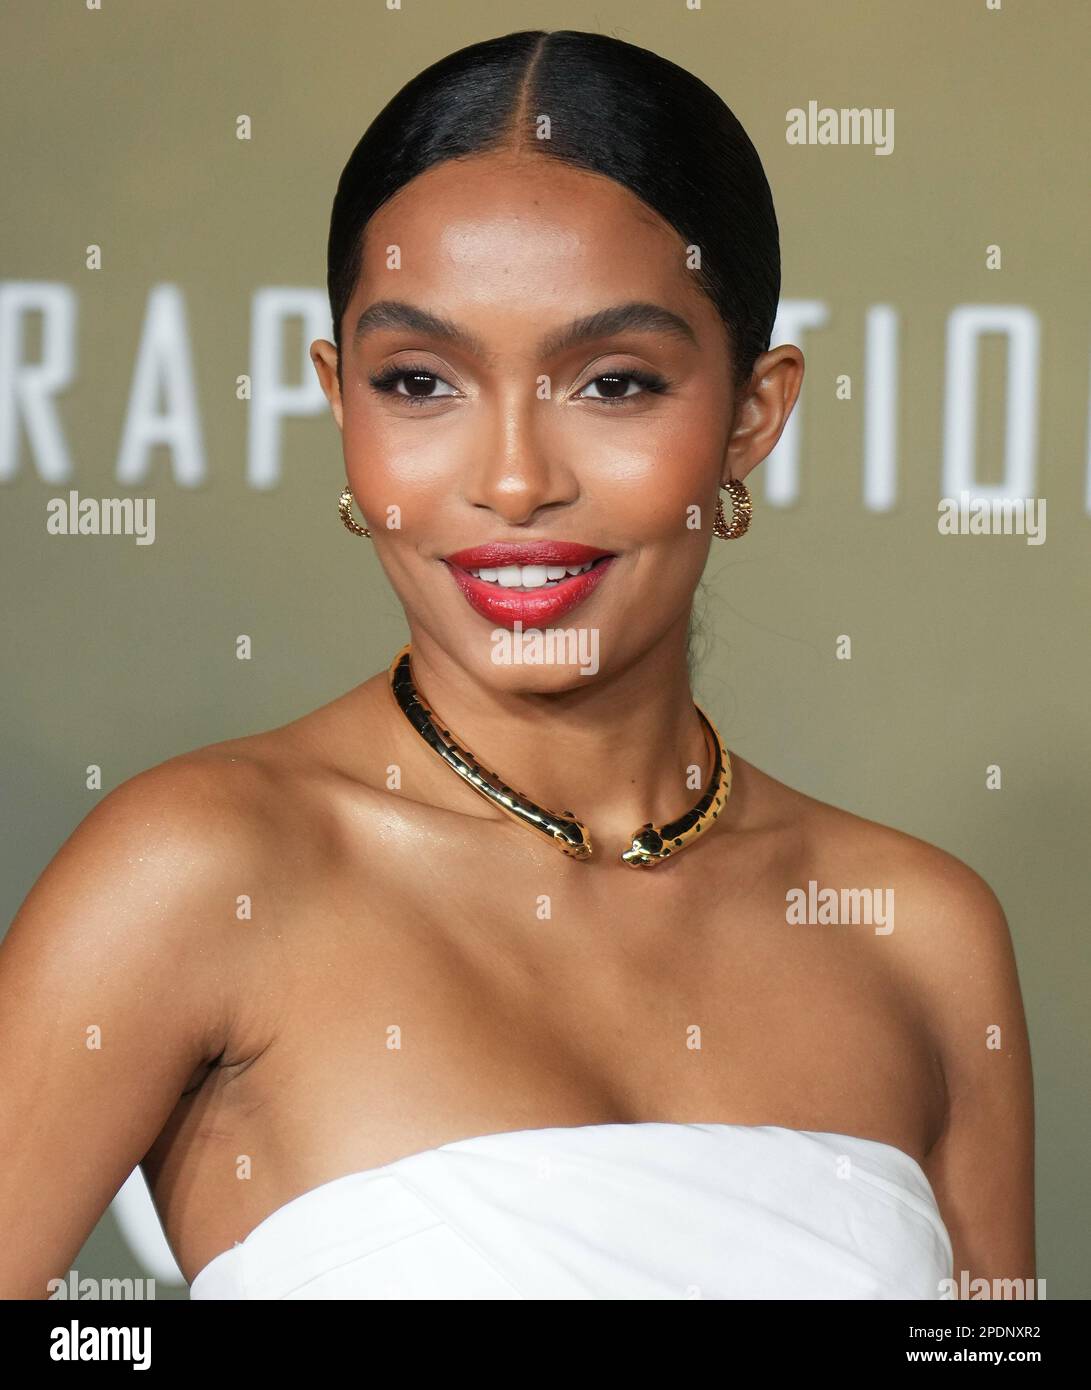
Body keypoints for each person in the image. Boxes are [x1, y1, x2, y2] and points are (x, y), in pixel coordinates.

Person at [1, 29, 1034, 1300]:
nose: (510, 479)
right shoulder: (197, 872)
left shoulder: (919, 935)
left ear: (751, 415)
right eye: (419, 380)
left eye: (611, 383)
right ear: (339, 401)